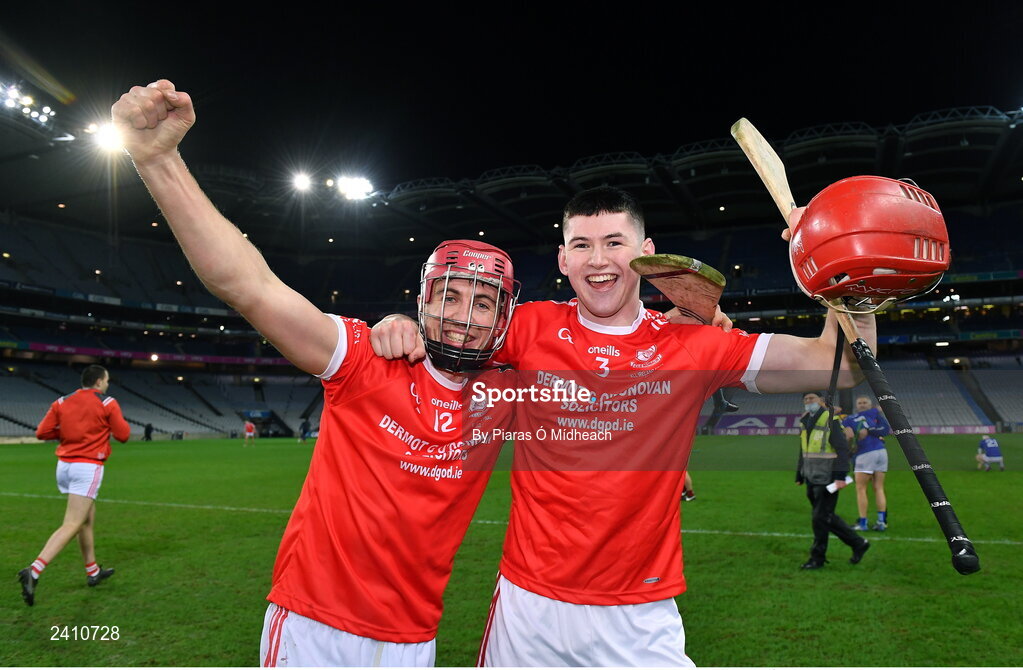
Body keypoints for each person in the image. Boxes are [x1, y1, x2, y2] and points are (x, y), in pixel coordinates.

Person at [372, 186, 876, 666]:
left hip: (638, 613)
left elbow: (840, 363)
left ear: (645, 251)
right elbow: (450, 329)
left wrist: (843, 268)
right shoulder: (526, 327)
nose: (598, 260)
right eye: (582, 245)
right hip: (528, 607)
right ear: (563, 259)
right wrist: (400, 320)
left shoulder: (693, 347)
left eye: (614, 243)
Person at [111, 79, 519, 667]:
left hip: (414, 641)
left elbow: (617, 384)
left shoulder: (506, 394)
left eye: (483, 303)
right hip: (313, 628)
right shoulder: (363, 355)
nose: (462, 316)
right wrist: (158, 160)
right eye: (451, 296)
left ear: (505, 317)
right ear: (425, 299)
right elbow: (248, 286)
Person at [18, 364, 130, 606]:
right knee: (72, 523)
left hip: (64, 467)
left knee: (86, 519)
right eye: (107, 380)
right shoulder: (107, 402)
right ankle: (34, 570)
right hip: (87, 467)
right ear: (99, 382)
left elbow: (42, 432)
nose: (108, 384)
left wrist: (68, 433)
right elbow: (124, 435)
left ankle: (92, 571)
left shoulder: (62, 401)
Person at [795, 391, 870, 570]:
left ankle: (817, 558)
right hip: (812, 475)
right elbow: (803, 449)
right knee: (824, 517)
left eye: (811, 398)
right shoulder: (805, 421)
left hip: (827, 477)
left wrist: (840, 476)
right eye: (805, 399)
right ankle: (858, 543)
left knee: (819, 519)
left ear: (821, 401)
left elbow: (842, 448)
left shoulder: (831, 419)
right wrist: (799, 474)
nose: (808, 401)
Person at [842, 395, 891, 531]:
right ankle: (881, 522)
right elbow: (885, 430)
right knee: (879, 488)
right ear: (857, 405)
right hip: (881, 452)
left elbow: (849, 436)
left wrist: (849, 449)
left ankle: (862, 523)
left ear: (869, 405)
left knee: (861, 489)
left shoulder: (849, 419)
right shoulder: (874, 415)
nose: (862, 405)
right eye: (860, 403)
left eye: (864, 403)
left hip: (865, 454)